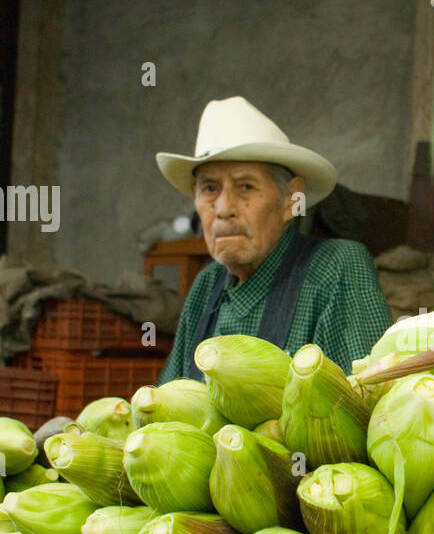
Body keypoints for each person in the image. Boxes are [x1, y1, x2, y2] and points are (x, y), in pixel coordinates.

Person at [154, 97, 392, 384]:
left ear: (292, 200)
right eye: (210, 189)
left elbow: (370, 394)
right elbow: (166, 404)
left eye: (246, 187)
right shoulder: (207, 286)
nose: (224, 208)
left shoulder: (337, 268)